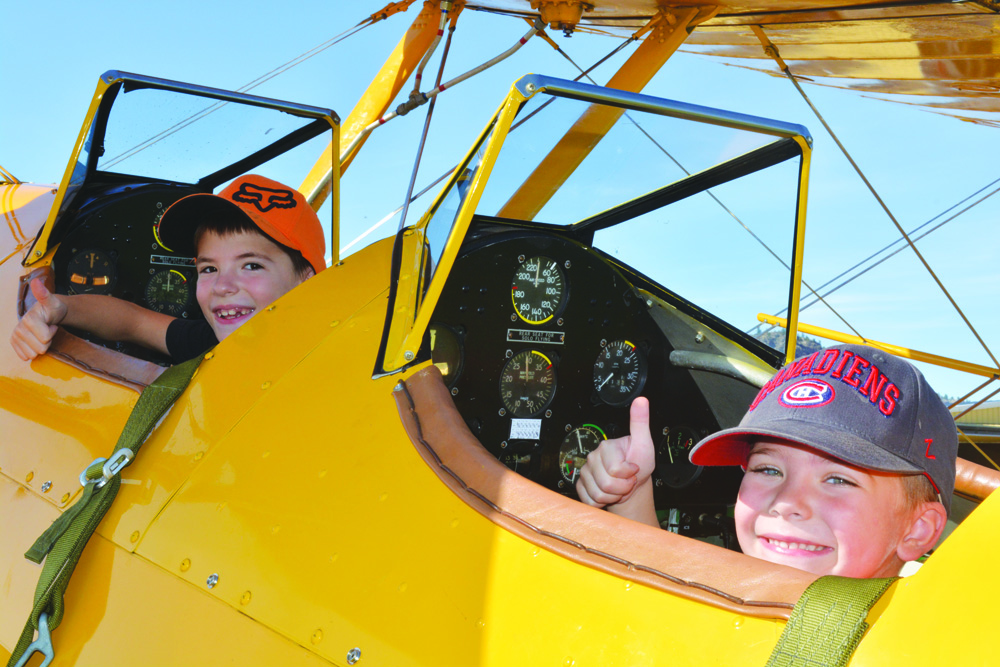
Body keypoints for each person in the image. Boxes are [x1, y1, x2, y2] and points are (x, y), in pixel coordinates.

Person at [576, 343, 957, 578]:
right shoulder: (740, 592)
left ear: (917, 529)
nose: (786, 502)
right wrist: (631, 494)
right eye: (768, 469)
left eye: (838, 479)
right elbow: (662, 585)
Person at [10, 174, 325, 363]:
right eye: (209, 269)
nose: (222, 286)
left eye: (251, 265)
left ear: (307, 281)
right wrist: (62, 308)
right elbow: (133, 322)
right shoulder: (209, 343)